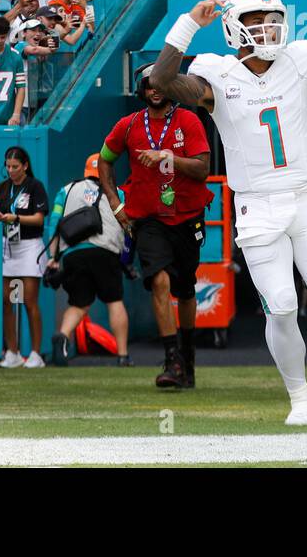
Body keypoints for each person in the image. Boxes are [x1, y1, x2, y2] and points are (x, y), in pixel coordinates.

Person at [150, 0, 307, 425]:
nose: (266, 28)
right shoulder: (216, 75)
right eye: (255, 20)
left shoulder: (296, 61)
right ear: (234, 27)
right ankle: (300, 397)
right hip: (257, 204)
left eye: (272, 19)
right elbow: (161, 82)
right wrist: (186, 27)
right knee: (281, 302)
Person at [98, 64, 212, 388]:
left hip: (187, 215)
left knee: (186, 288)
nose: (155, 90)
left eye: (161, 84)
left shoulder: (188, 120)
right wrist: (115, 203)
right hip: (148, 219)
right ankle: (172, 360)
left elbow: (203, 169)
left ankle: (187, 357)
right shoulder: (129, 125)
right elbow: (104, 161)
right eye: (149, 85)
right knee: (159, 281)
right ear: (142, 90)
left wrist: (169, 157)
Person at [44, 154, 131, 367]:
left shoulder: (66, 190)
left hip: (74, 253)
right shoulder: (119, 193)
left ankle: (63, 337)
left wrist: (53, 258)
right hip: (106, 252)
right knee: (114, 301)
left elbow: (55, 223)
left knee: (78, 303)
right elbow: (128, 227)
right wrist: (127, 258)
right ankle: (122, 355)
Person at [0, 146, 50, 369]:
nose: (11, 170)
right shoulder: (2, 188)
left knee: (29, 301)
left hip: (29, 247)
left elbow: (39, 219)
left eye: (15, 166)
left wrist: (15, 218)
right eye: (8, 166)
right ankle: (12, 352)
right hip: (8, 247)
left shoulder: (35, 187)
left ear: (25, 166)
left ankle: (35, 353)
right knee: (8, 300)